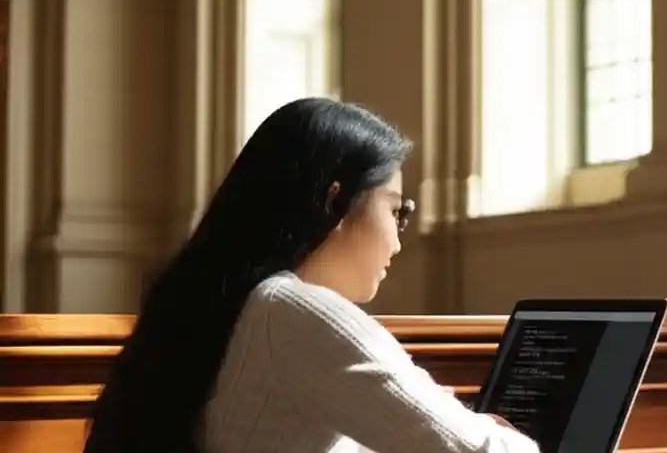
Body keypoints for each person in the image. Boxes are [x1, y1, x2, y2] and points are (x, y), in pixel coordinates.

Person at [83, 98, 538, 453]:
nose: (398, 242)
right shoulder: (293, 311)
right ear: (334, 202)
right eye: (396, 210)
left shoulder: (234, 304)